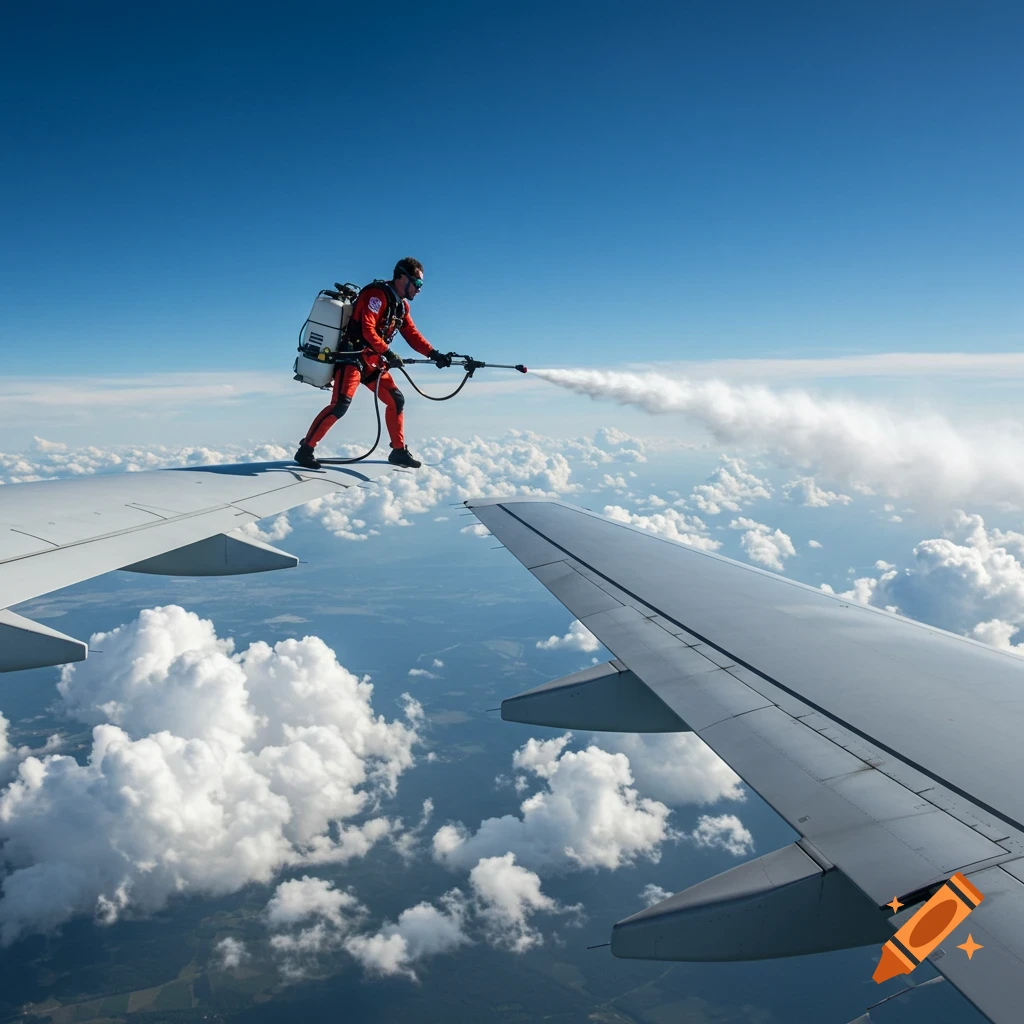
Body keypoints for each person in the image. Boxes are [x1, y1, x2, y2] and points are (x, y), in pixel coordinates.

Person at [294, 258, 451, 469]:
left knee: (396, 400)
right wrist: (388, 352)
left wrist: (434, 354)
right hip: (352, 359)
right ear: (402, 278)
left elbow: (412, 334)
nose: (419, 289)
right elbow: (367, 329)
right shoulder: (376, 295)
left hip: (372, 361)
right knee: (340, 405)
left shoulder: (401, 307)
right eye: (418, 283)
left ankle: (398, 451)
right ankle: (305, 450)